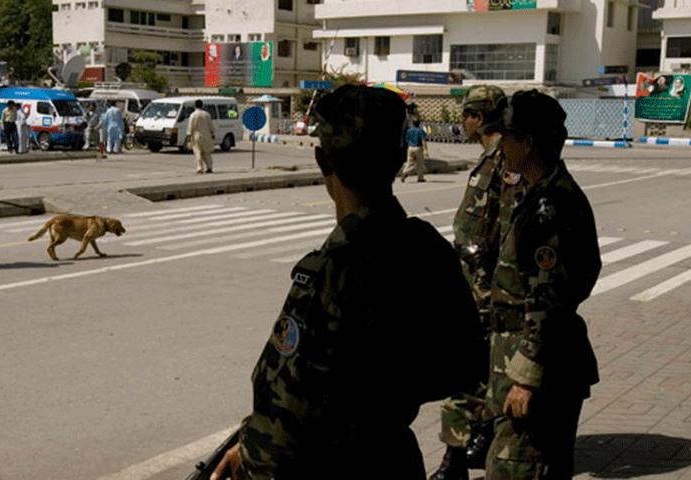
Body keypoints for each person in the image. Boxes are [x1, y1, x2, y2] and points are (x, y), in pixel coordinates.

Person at [210, 84, 486, 480]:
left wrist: (250, 452)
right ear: (396, 158)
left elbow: (285, 414)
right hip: (394, 460)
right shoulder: (427, 248)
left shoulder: (333, 270)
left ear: (323, 160)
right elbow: (465, 364)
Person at [478, 90, 601, 479]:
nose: (500, 145)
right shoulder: (540, 194)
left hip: (539, 372)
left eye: (507, 137)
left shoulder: (552, 208)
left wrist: (527, 379)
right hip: (530, 360)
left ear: (527, 141)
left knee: (515, 469)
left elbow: (550, 298)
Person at [431, 85, 526, 480]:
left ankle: (454, 460)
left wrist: (489, 271)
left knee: (468, 374)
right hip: (475, 283)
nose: (463, 121)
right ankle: (478, 440)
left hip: (488, 290)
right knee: (478, 372)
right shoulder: (491, 157)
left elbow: (511, 224)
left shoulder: (506, 160)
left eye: (466, 114)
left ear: (478, 117)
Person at [186, 99, 215, 174]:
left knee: (197, 152)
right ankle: (209, 167)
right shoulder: (206, 114)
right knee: (206, 152)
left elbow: (190, 126)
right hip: (206, 135)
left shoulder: (193, 115)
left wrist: (189, 136)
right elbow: (211, 125)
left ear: (195, 106)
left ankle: (199, 168)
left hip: (196, 135)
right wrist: (212, 134)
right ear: (202, 106)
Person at [401, 117, 428, 182]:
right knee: (420, 163)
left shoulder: (409, 130)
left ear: (413, 123)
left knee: (409, 163)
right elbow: (423, 140)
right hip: (418, 147)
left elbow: (406, 139)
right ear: (419, 123)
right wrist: (425, 149)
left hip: (410, 148)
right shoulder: (420, 130)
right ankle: (420, 178)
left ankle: (405, 172)